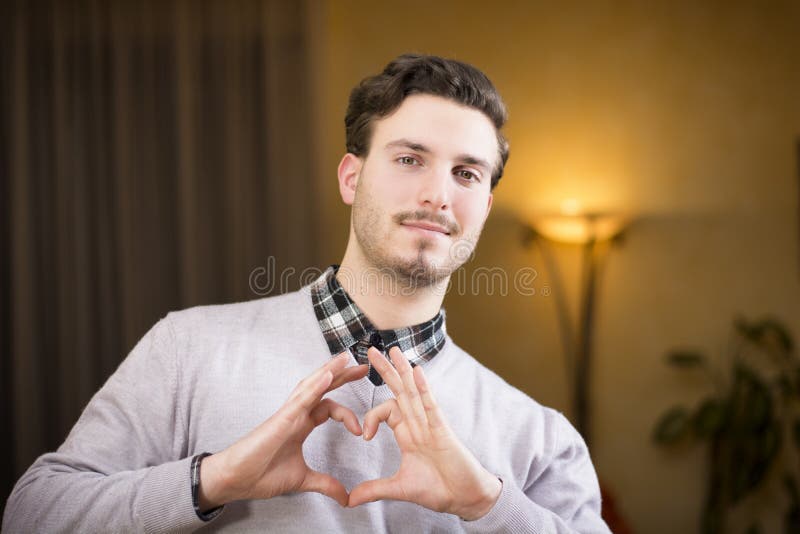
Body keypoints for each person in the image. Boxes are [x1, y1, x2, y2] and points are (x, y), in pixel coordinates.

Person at [3, 54, 611, 533]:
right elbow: (32, 515)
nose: (438, 195)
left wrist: (488, 505)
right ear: (352, 177)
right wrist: (211, 480)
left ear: (485, 204)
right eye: (409, 159)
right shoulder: (186, 349)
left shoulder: (540, 438)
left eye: (466, 173)